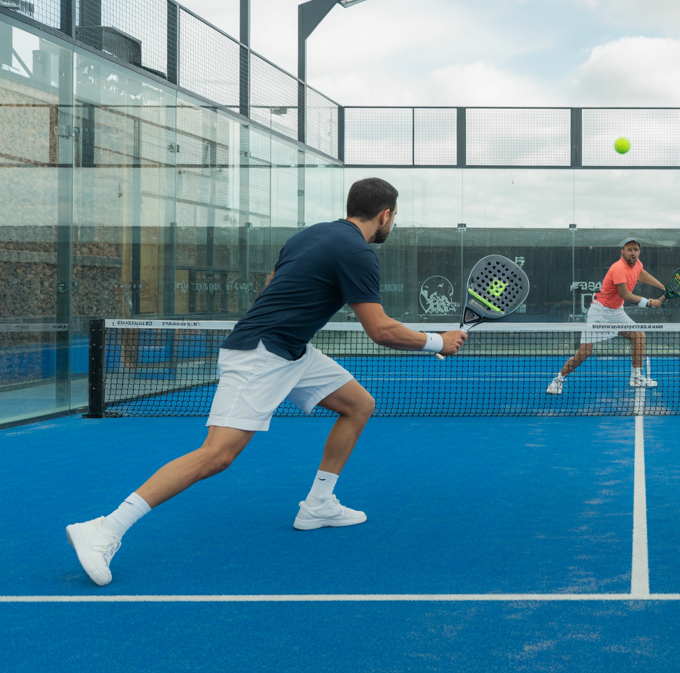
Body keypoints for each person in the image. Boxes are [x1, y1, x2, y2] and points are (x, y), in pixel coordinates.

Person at [66, 178, 468, 587]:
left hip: (291, 349)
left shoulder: (309, 235)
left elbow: (272, 286)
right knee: (217, 455)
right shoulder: (358, 252)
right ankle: (105, 528)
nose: (392, 224)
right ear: (385, 214)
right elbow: (379, 330)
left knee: (358, 404)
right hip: (261, 354)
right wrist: (438, 340)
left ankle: (318, 505)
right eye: (394, 217)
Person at [547, 237, 665, 395]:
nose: (633, 253)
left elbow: (641, 273)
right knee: (584, 353)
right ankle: (558, 380)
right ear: (622, 252)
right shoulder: (618, 268)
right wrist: (650, 302)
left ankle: (636, 377)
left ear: (639, 252)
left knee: (639, 336)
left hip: (617, 312)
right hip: (600, 313)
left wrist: (662, 286)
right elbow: (626, 295)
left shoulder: (637, 264)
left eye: (635, 250)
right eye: (629, 250)